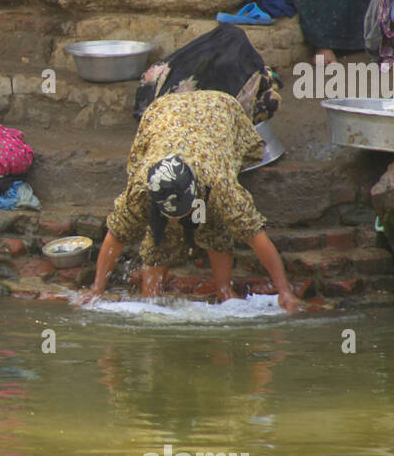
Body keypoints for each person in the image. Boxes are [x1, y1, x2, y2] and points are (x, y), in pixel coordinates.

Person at [79, 90, 301, 314]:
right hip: (164, 110)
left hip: (218, 109)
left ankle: (224, 290)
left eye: (181, 212)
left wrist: (285, 291)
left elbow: (255, 235)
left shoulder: (218, 184)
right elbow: (116, 235)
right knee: (161, 234)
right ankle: (152, 297)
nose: (176, 218)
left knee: (213, 222)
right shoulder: (142, 187)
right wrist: (97, 289)